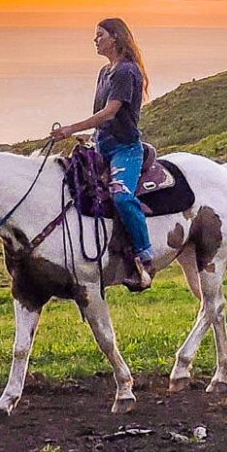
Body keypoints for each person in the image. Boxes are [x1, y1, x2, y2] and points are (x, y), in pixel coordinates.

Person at [53, 18, 154, 289]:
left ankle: (145, 253)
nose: (95, 40)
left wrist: (72, 129)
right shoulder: (104, 72)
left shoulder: (126, 72)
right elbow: (102, 117)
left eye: (100, 35)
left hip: (125, 149)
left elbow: (110, 112)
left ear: (116, 38)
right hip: (102, 145)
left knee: (121, 197)